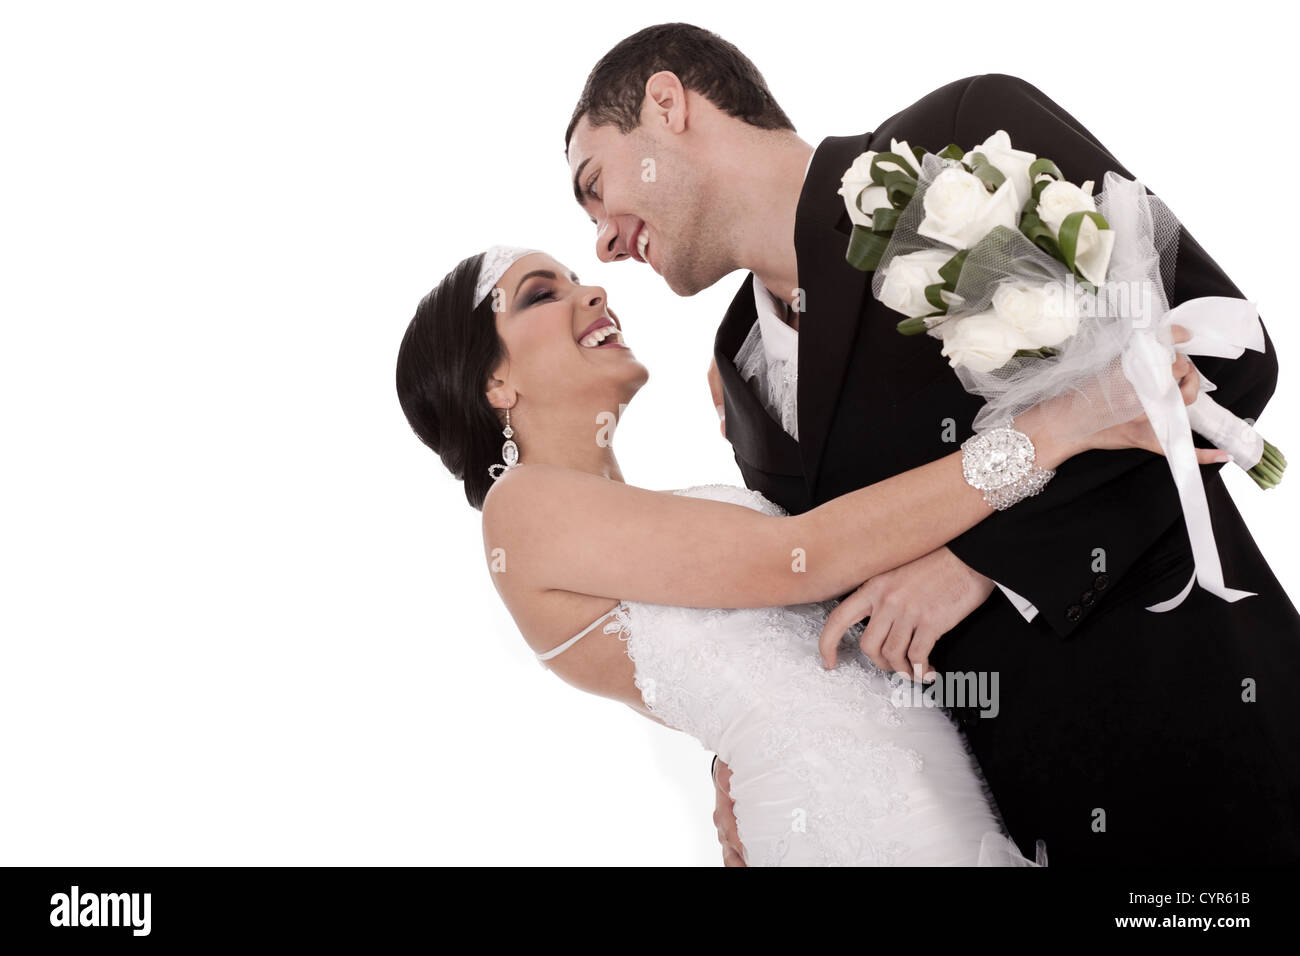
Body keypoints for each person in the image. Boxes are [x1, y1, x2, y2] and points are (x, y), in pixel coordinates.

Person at [563, 23, 1300, 865]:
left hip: (1211, 749)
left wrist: (984, 560)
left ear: (668, 103)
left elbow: (1222, 352)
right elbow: (828, 603)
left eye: (596, 187)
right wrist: (750, 759)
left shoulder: (955, 143)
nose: (603, 242)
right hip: (1010, 829)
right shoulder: (738, 373)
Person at [394, 245, 1214, 865]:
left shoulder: (652, 519)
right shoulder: (520, 507)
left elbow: (748, 663)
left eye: (578, 278)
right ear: (493, 385)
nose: (593, 289)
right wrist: (1060, 427)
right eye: (542, 294)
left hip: (945, 810)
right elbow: (803, 554)